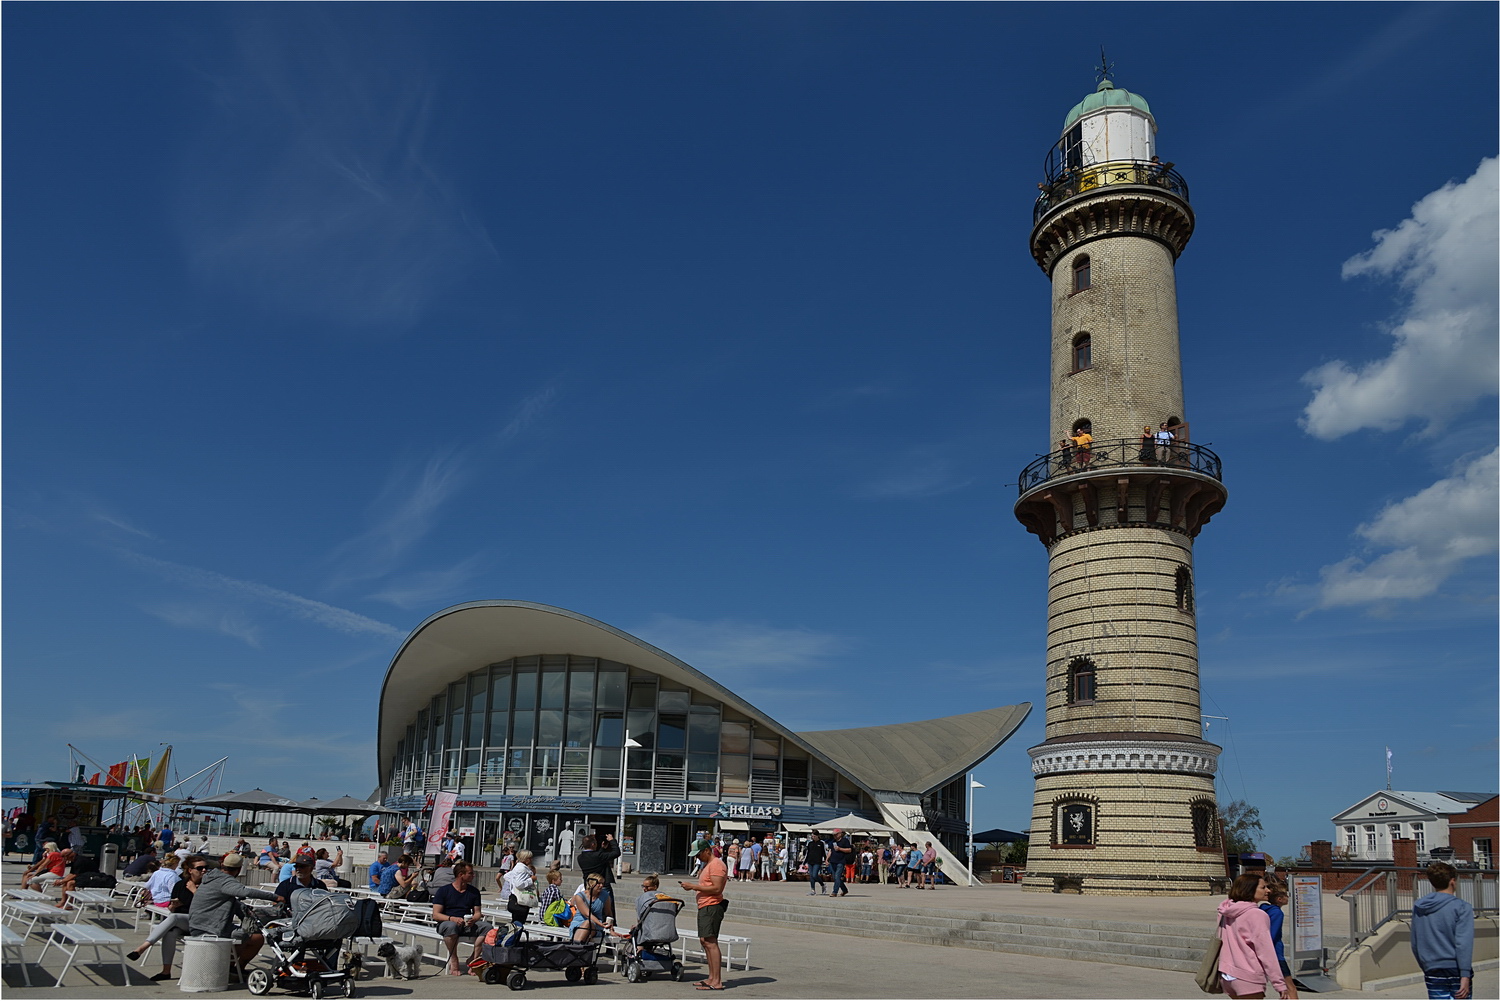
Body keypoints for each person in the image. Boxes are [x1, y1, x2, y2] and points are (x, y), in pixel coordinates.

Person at [189, 853, 279, 969]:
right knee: (256, 938)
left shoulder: (211, 878)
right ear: (239, 869)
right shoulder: (225, 881)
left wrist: (244, 910)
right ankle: (234, 968)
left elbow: (229, 901)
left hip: (197, 924)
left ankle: (230, 967)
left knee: (242, 933)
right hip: (210, 929)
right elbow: (245, 892)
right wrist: (275, 897)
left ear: (222, 865)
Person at [128, 854, 206, 981]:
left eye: (206, 867)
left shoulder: (207, 886)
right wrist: (172, 906)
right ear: (190, 870)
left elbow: (207, 906)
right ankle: (166, 971)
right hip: (184, 921)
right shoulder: (180, 884)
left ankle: (143, 947)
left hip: (201, 922)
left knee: (174, 918)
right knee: (170, 933)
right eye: (200, 868)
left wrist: (194, 892)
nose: (204, 870)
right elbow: (173, 906)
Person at [1217, 873, 1290, 999]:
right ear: (1250, 889)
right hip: (1247, 975)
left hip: (1227, 974)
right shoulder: (1256, 915)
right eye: (1263, 887)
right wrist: (1279, 983)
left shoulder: (1226, 912)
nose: (1268, 890)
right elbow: (1265, 951)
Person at [1411, 861, 1474, 1000]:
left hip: (1432, 968)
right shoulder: (1462, 907)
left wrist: (1426, 965)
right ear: (1452, 881)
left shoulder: (1419, 907)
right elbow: (1463, 944)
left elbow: (1415, 942)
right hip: (1456, 968)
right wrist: (1465, 974)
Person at [679, 840, 728, 990]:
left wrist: (693, 887)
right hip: (706, 906)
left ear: (707, 850)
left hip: (712, 906)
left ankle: (717, 981)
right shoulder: (709, 865)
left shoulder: (716, 865)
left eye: (699, 854)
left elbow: (717, 889)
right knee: (705, 941)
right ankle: (712, 978)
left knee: (710, 942)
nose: (698, 858)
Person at [431, 862, 490, 975]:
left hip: (466, 923)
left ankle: (474, 960)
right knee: (451, 927)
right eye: (470, 873)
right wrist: (452, 918)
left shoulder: (474, 892)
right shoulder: (444, 891)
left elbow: (477, 913)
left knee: (488, 928)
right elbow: (436, 915)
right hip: (447, 922)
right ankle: (454, 959)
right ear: (461, 874)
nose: (473, 876)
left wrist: (474, 919)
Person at [1259, 877, 1299, 1000]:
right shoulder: (1277, 913)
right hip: (1276, 954)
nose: (1288, 897)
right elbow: (1272, 935)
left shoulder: (1263, 908)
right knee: (1290, 987)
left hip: (1267, 953)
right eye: (1286, 895)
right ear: (1280, 899)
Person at [567, 873, 622, 944]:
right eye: (598, 883)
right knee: (587, 923)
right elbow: (587, 914)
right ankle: (578, 948)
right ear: (591, 884)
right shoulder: (580, 896)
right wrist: (601, 924)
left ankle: (575, 948)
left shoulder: (605, 895)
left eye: (602, 883)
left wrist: (610, 929)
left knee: (588, 924)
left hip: (596, 926)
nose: (601, 886)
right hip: (579, 923)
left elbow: (609, 914)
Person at [576, 833, 620, 920]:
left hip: (589, 885)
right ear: (593, 844)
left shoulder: (580, 857)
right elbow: (616, 853)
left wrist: (602, 849)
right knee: (608, 909)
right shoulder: (598, 856)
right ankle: (609, 925)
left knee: (593, 907)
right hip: (602, 885)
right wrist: (612, 841)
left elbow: (595, 857)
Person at [501, 849, 537, 924]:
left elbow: (507, 876)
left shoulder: (517, 867)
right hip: (520, 900)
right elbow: (519, 884)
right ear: (525, 859)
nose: (531, 860)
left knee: (516, 922)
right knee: (518, 923)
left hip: (515, 897)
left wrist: (512, 882)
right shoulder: (522, 869)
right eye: (529, 858)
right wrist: (531, 880)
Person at [828, 829, 853, 898]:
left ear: (840, 834)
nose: (834, 836)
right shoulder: (833, 841)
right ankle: (844, 890)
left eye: (835, 834)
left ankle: (834, 892)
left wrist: (840, 849)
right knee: (835, 877)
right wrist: (827, 859)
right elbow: (830, 850)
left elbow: (849, 850)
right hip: (832, 861)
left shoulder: (845, 841)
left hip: (840, 861)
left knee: (837, 877)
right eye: (833, 835)